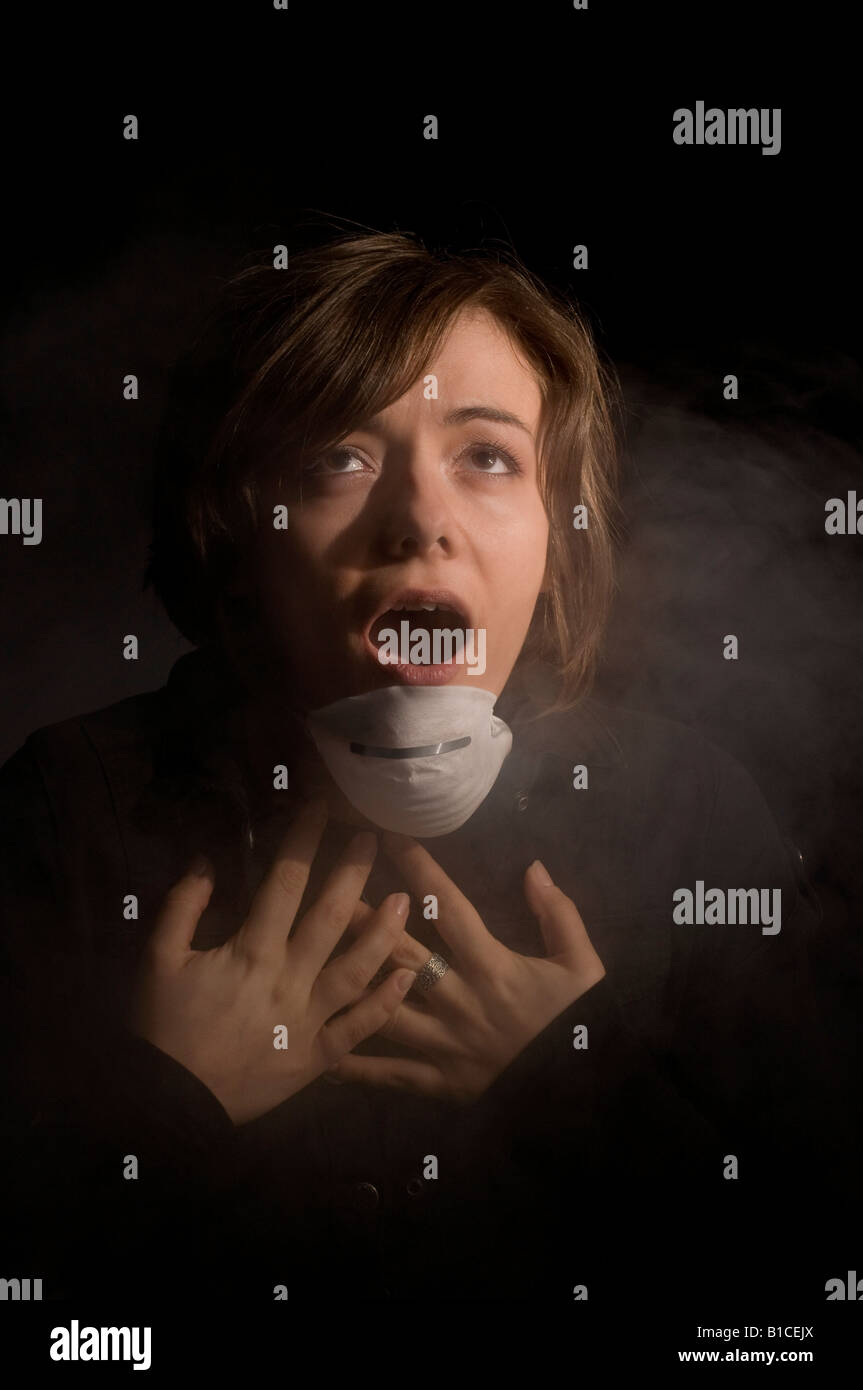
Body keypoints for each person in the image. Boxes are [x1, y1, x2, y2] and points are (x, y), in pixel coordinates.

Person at [0, 230, 842, 1310]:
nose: (418, 521)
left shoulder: (689, 810)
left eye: (486, 457)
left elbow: (793, 1311)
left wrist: (584, 1091)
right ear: (241, 547)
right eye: (334, 460)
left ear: (554, 542)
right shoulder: (67, 808)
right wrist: (164, 1103)